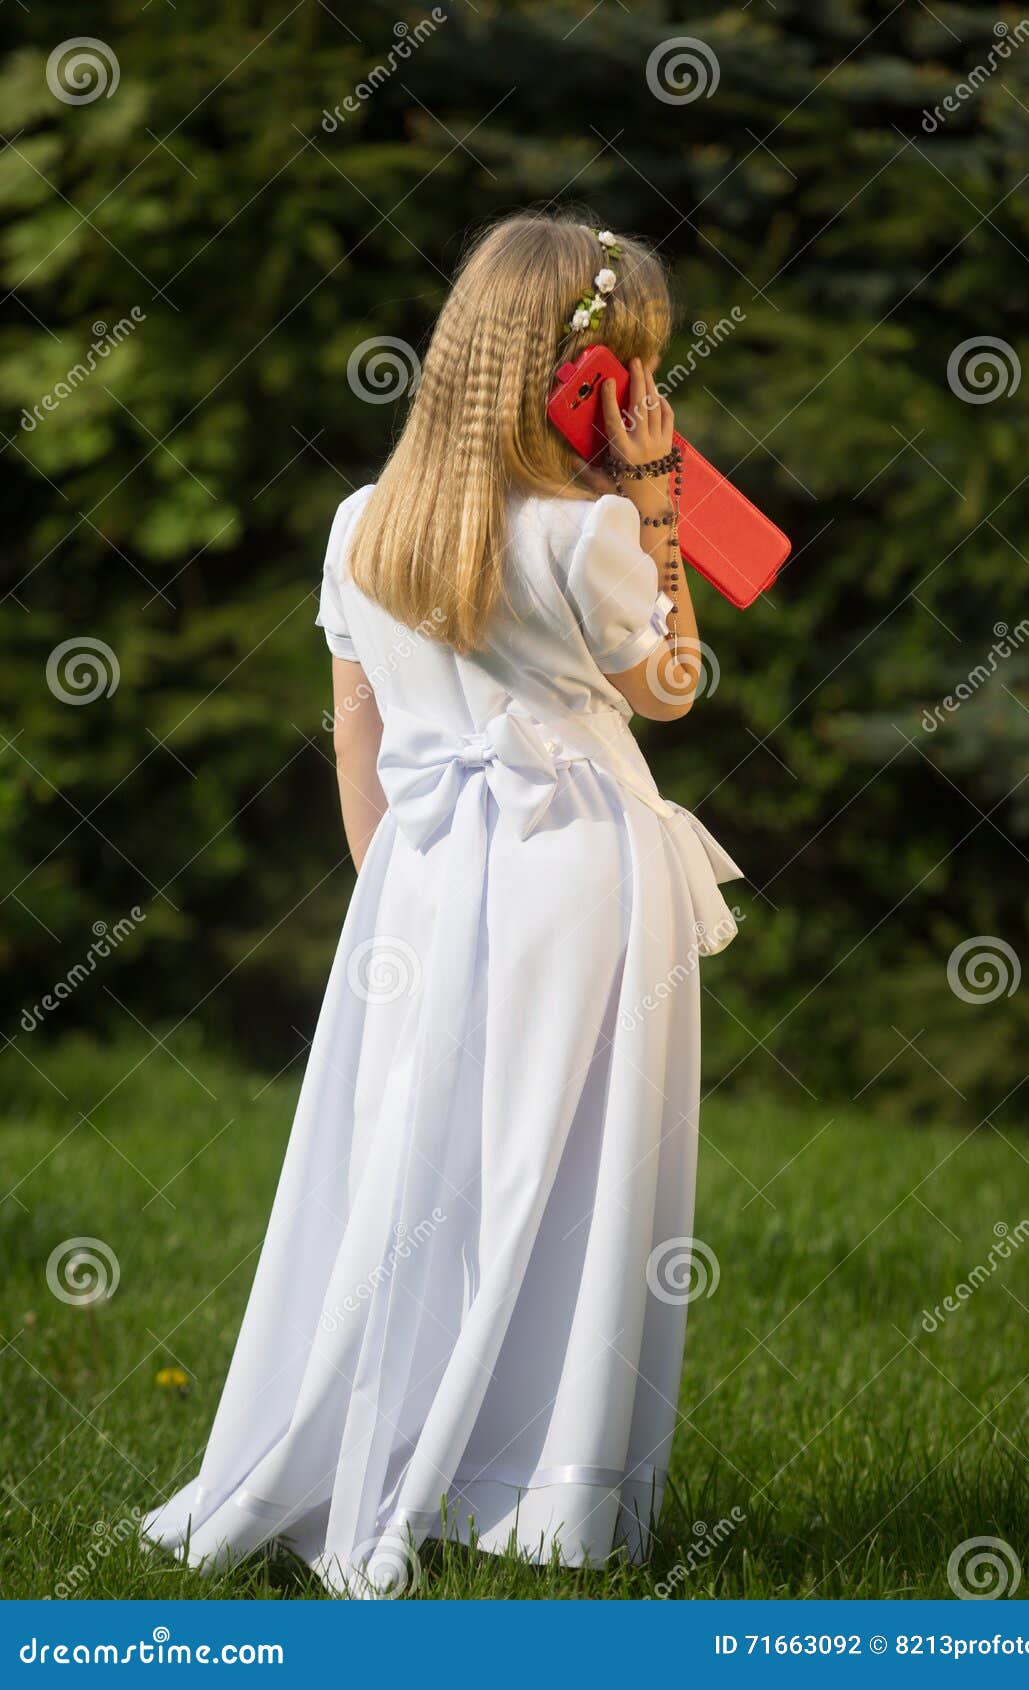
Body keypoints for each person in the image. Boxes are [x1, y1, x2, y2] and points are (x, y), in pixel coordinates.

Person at [142, 213, 742, 1597]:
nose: (640, 402)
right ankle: (542, 1492)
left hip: (418, 870)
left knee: (414, 1176)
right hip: (585, 875)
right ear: (568, 376)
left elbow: (353, 728)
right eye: (627, 371)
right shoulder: (594, 528)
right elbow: (673, 690)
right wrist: (659, 500)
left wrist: (394, 890)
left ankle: (373, 1433)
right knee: (577, 1176)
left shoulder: (363, 525)